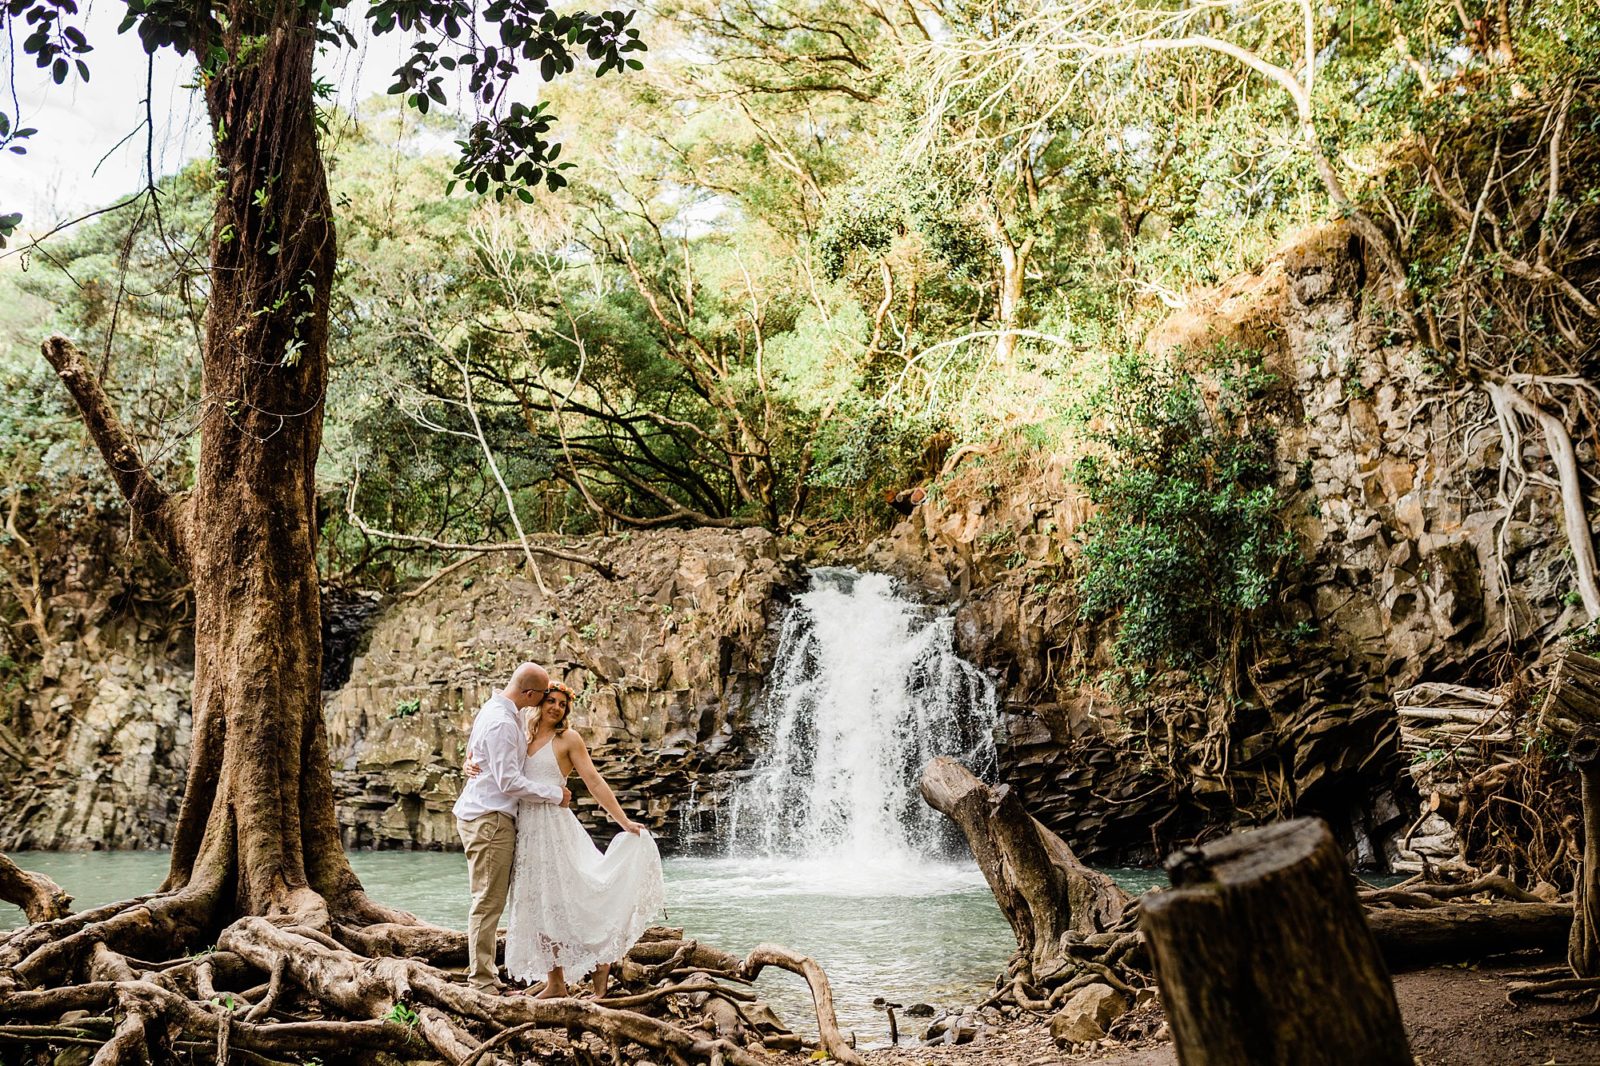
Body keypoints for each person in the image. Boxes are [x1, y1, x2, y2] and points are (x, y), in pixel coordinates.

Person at [467, 680, 665, 998]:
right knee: (538, 905)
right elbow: (488, 750)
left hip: (554, 829)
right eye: (552, 701)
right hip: (527, 832)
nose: (556, 707)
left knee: (569, 898)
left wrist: (624, 821)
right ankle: (555, 982)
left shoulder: (568, 739)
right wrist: (470, 761)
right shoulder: (522, 732)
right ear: (539, 702)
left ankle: (601, 961)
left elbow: (595, 782)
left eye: (563, 704)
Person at [453, 662, 574, 993]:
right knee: (488, 902)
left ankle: (488, 973)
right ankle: (480, 981)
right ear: (530, 694)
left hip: (487, 815)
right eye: (542, 697)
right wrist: (555, 794)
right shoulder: (503, 722)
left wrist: (469, 760)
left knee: (490, 900)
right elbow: (508, 781)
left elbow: (478, 750)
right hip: (490, 818)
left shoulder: (499, 710)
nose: (544, 704)